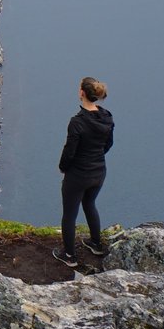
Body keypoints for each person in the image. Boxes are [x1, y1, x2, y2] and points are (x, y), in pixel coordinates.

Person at [53, 76, 114, 267]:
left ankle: (69, 256)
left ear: (82, 93)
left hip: (78, 175)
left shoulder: (77, 122)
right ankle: (96, 244)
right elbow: (108, 144)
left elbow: (69, 151)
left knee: (69, 214)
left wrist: (63, 168)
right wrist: (95, 157)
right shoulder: (107, 117)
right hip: (99, 172)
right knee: (90, 204)